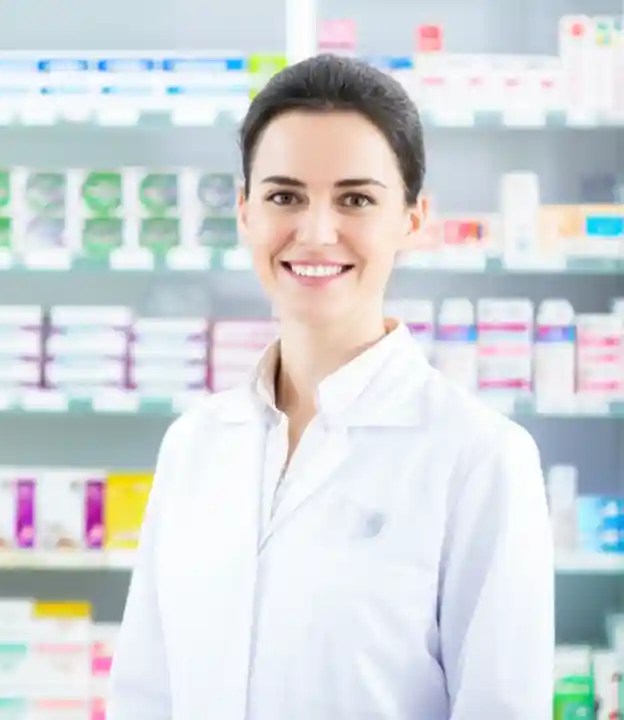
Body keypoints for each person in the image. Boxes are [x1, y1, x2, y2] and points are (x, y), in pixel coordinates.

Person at [108, 54, 553, 719]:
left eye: (356, 198)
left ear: (411, 218)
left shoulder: (479, 457)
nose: (316, 232)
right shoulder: (195, 446)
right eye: (285, 196)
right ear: (245, 212)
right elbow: (145, 694)